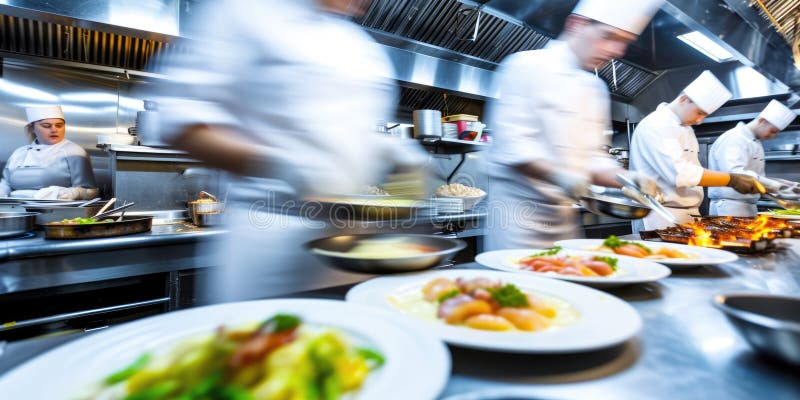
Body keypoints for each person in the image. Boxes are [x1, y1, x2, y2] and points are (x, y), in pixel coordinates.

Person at [154, 0, 427, 301]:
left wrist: (392, 150)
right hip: (269, 238)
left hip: (350, 240)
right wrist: (280, 166)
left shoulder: (362, 47)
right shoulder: (244, 11)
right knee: (260, 340)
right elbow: (183, 124)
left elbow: (348, 131)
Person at [485, 0, 664, 250]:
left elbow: (593, 159)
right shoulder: (524, 66)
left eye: (624, 42)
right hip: (516, 222)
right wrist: (561, 176)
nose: (617, 50)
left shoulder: (595, 88)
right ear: (576, 24)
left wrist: (627, 179)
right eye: (609, 36)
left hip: (565, 220)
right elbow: (513, 148)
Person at [629, 71, 762, 230]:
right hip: (660, 215)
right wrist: (731, 179)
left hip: (688, 213)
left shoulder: (686, 128)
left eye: (704, 115)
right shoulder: (657, 123)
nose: (699, 121)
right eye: (699, 113)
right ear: (684, 99)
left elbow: (694, 170)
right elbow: (681, 174)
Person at [708, 100, 799, 216]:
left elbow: (758, 178)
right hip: (729, 207)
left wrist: (787, 185)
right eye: (772, 131)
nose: (772, 136)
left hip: (748, 206)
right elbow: (735, 174)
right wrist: (775, 186)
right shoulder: (734, 138)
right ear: (762, 121)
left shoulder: (755, 142)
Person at [0, 105, 97, 200]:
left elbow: (90, 191)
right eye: (46, 126)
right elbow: (6, 183)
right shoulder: (19, 153)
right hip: (16, 209)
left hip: (56, 211)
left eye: (59, 125)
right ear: (32, 128)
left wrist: (70, 194)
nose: (54, 130)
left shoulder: (74, 152)